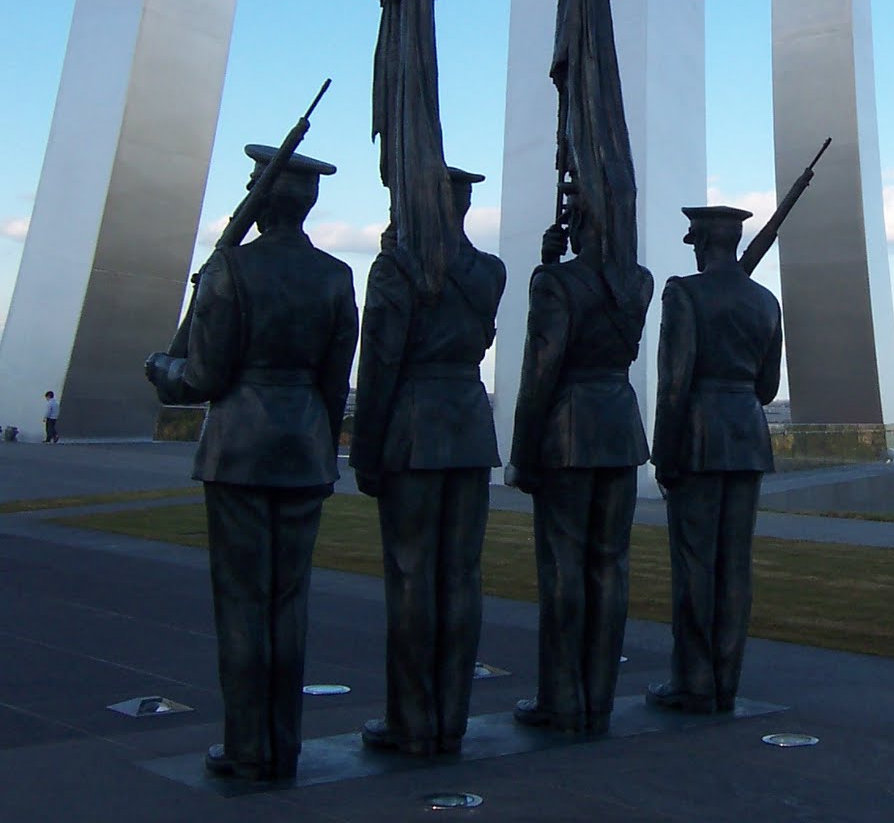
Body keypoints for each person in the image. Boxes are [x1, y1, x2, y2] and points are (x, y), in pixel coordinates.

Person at [144, 145, 357, 783]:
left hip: (239, 448)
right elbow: (332, 380)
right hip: (303, 447)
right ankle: (282, 743)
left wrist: (163, 368)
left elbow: (204, 376)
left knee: (242, 604)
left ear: (262, 202)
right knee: (288, 604)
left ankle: (246, 747)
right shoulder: (336, 275)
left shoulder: (228, 270)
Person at [350, 167, 506, 758]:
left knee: (413, 577)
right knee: (461, 577)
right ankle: (450, 717)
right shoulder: (490, 272)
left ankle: (411, 719)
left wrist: (366, 453)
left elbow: (380, 364)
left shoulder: (397, 269)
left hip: (414, 428)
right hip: (467, 425)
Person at [505, 196, 653, 736]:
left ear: (579, 224)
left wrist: (522, 454)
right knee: (610, 565)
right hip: (619, 427)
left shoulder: (556, 284)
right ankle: (598, 697)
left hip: (569, 431)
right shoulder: (640, 281)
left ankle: (561, 697)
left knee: (563, 566)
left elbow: (540, 370)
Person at [646, 206, 782, 714]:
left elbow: (674, 381)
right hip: (747, 437)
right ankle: (726, 681)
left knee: (695, 564)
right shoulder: (766, 302)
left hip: (701, 437)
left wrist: (665, 452)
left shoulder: (684, 293)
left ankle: (694, 681)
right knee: (735, 566)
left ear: (702, 242)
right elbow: (766, 388)